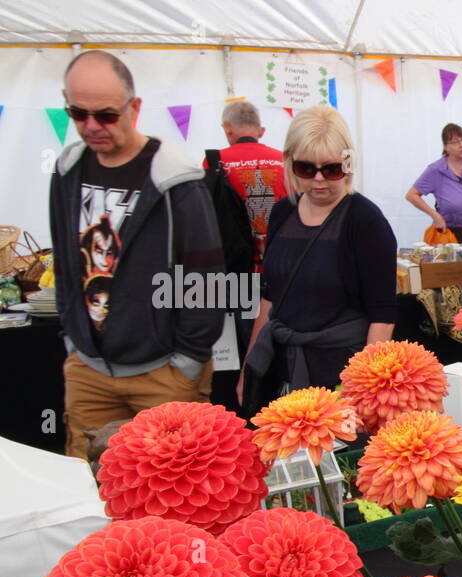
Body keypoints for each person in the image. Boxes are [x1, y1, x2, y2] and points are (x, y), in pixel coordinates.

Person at [50, 51, 225, 460]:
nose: (92, 126)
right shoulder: (68, 169)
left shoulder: (176, 180)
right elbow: (64, 257)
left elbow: (209, 283)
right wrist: (73, 337)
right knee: (89, 493)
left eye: (106, 115)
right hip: (88, 370)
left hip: (163, 374)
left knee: (173, 498)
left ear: (134, 108)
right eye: (78, 112)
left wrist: (186, 361)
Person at [239, 106, 397, 413]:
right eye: (306, 168)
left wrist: (363, 392)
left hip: (342, 373)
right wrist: (249, 368)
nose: (319, 179)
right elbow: (269, 299)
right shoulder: (283, 212)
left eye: (332, 169)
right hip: (280, 367)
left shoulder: (364, 220)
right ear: (290, 163)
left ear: (348, 163)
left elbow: (383, 316)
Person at [210, 100, 288, 272]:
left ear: (227, 128)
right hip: (282, 266)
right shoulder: (285, 161)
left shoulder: (214, 162)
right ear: (261, 131)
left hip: (235, 270)